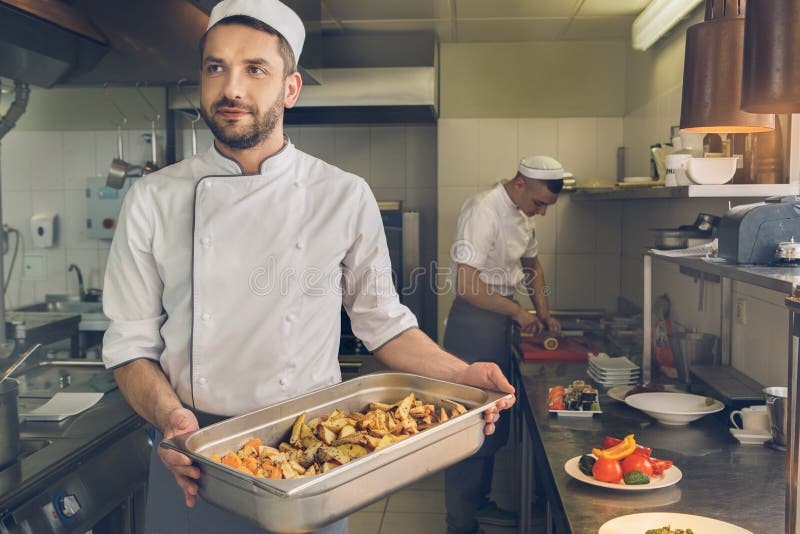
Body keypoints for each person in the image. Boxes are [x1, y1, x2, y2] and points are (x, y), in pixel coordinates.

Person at [100, 1, 515, 533]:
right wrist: (172, 421)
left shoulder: (341, 195)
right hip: (194, 459)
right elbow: (130, 344)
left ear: (290, 89)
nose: (232, 88)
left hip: (310, 458)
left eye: (256, 69)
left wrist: (461, 375)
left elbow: (382, 324)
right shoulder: (152, 198)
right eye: (215, 67)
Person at [443, 155, 565, 534]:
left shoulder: (523, 216)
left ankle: (481, 505)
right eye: (539, 203)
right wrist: (516, 311)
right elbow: (466, 285)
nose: (542, 213)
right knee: (470, 422)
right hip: (474, 324)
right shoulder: (483, 210)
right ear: (519, 185)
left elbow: (534, 268)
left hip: (501, 322)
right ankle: (460, 523)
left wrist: (542, 310)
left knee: (493, 421)